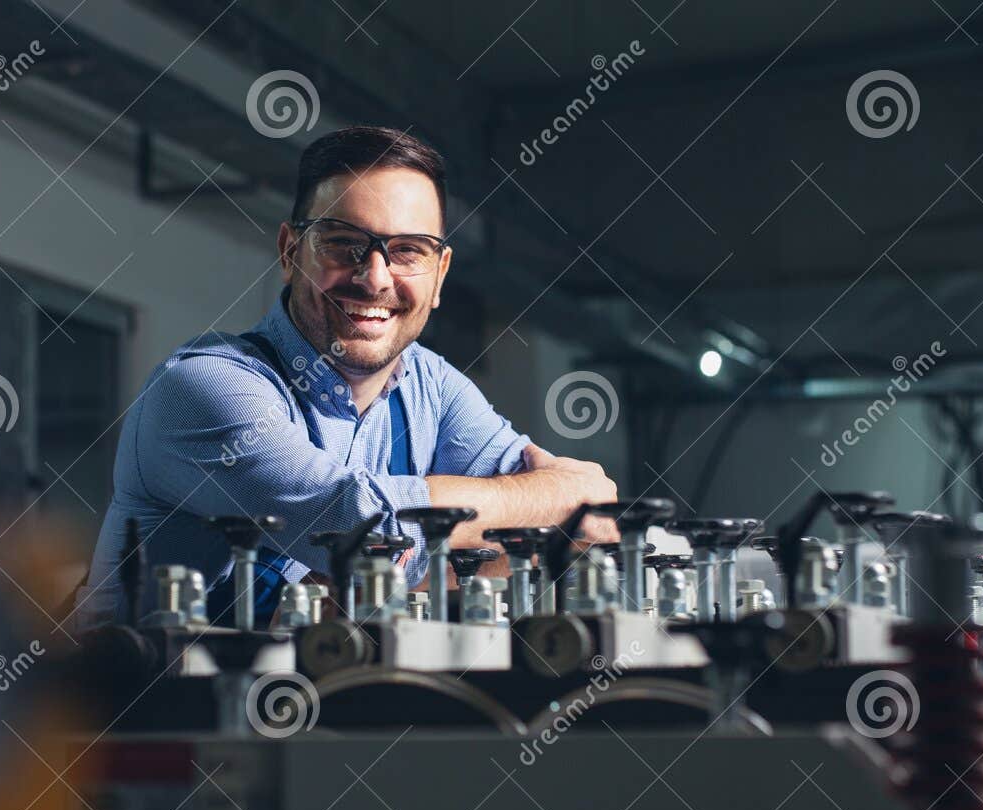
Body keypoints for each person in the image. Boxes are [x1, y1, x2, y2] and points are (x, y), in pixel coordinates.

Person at [81, 125, 617, 625]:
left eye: (408, 250)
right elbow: (359, 529)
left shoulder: (433, 388)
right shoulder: (202, 388)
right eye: (343, 243)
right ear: (290, 251)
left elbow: (586, 532)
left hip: (319, 691)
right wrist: (551, 497)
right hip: (144, 693)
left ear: (439, 275)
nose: (374, 277)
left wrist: (543, 515)